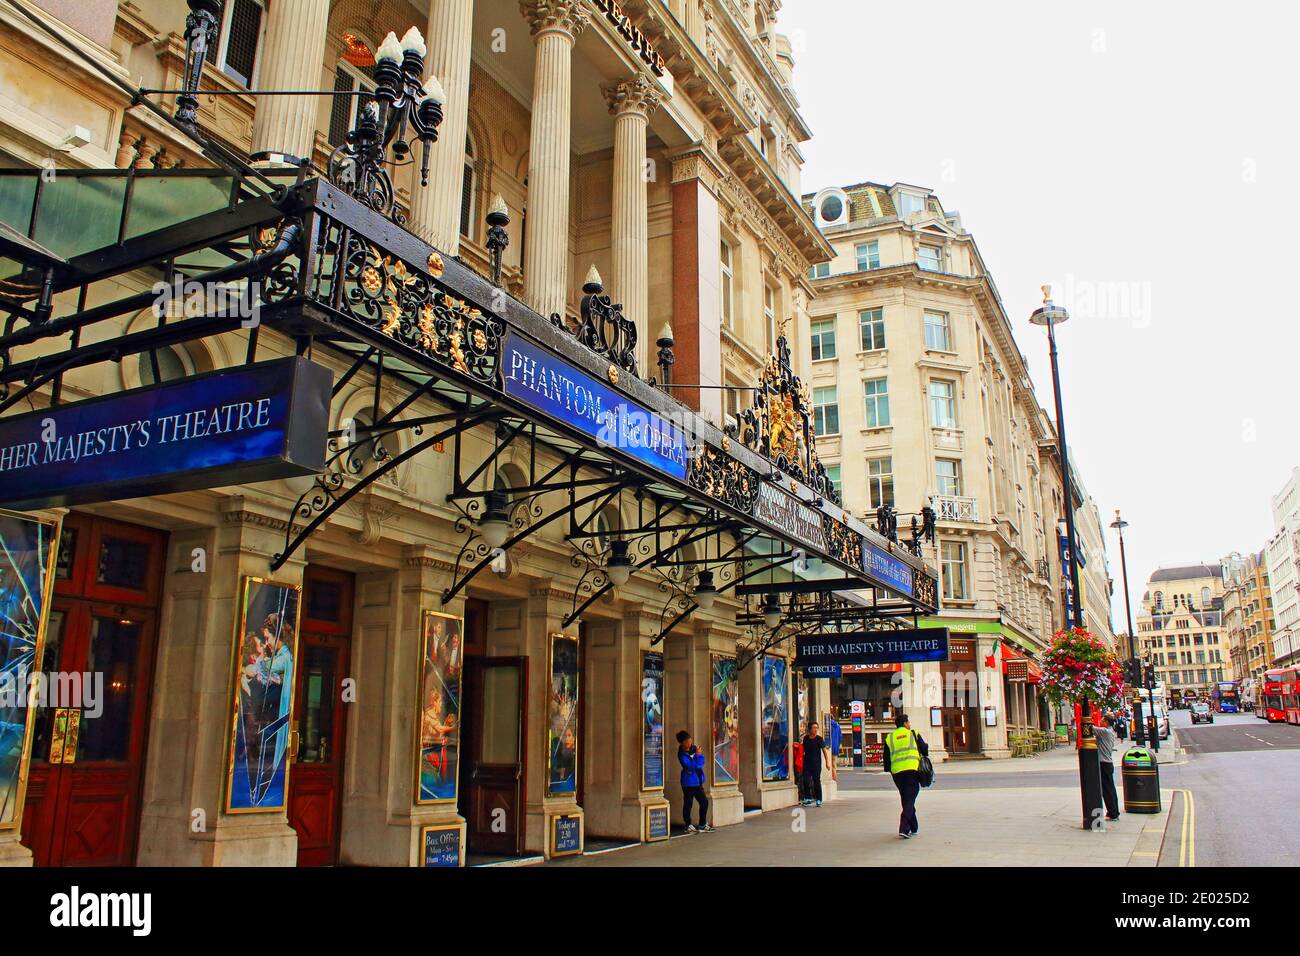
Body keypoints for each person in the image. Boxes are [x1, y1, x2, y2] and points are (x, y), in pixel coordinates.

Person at [883, 713, 928, 839]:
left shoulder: (889, 738)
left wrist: (890, 770)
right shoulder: (913, 733)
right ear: (904, 723)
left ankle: (913, 827)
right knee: (910, 798)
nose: (910, 724)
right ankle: (904, 828)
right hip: (912, 769)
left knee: (906, 798)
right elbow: (924, 748)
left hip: (897, 773)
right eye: (908, 722)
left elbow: (886, 758)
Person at [676, 730, 712, 833]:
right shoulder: (681, 754)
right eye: (686, 741)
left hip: (698, 781)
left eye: (690, 740)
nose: (689, 743)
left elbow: (701, 763)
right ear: (681, 743)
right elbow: (691, 766)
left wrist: (698, 756)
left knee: (704, 802)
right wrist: (698, 756)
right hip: (688, 783)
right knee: (688, 804)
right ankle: (688, 825)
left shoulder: (695, 749)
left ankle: (702, 823)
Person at [1095, 712, 1120, 822]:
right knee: (1110, 789)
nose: (1100, 720)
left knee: (1107, 790)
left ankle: (1113, 813)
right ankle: (1113, 812)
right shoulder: (1109, 731)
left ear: (1106, 722)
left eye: (1101, 719)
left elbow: (1088, 727)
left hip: (1104, 763)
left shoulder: (1104, 731)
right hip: (1107, 763)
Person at [800, 721, 832, 806]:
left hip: (816, 764)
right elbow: (803, 748)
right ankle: (808, 798)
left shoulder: (819, 739)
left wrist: (827, 763)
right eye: (814, 728)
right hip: (807, 763)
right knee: (806, 780)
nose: (816, 730)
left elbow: (824, 751)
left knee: (816, 781)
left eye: (817, 728)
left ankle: (819, 799)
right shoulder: (806, 738)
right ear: (810, 729)